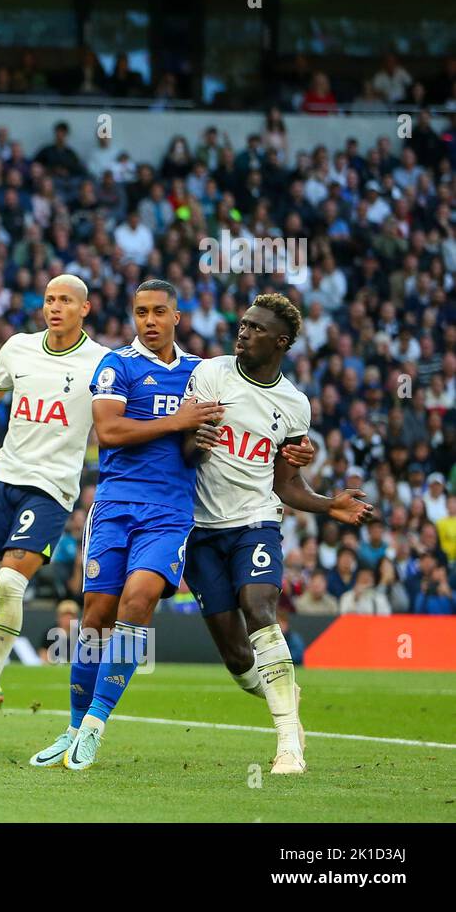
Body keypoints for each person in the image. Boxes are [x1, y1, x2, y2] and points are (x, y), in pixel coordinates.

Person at [31, 280, 220, 771]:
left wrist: (201, 434)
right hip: (114, 507)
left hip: (169, 512)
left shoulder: (201, 373)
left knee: (137, 602)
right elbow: (110, 432)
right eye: (141, 312)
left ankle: (93, 725)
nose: (150, 321)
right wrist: (178, 421)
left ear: (177, 316)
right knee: (95, 618)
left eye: (160, 311)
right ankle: (70, 728)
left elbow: (197, 442)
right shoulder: (116, 365)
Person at [182, 294, 372, 774]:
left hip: (256, 520)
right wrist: (194, 443)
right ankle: (283, 692)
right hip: (202, 527)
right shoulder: (210, 374)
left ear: (281, 342)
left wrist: (329, 504)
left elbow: (285, 484)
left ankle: (289, 742)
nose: (242, 332)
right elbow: (183, 448)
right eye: (242, 324)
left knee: (259, 606)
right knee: (236, 657)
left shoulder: (293, 405)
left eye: (254, 328)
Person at [0, 275, 110, 729]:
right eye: (50, 299)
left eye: (65, 301)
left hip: (51, 489)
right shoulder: (18, 347)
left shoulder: (102, 363)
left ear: (84, 309)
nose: (55, 307)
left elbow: (122, 414)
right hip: (3, 478)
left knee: (10, 585)